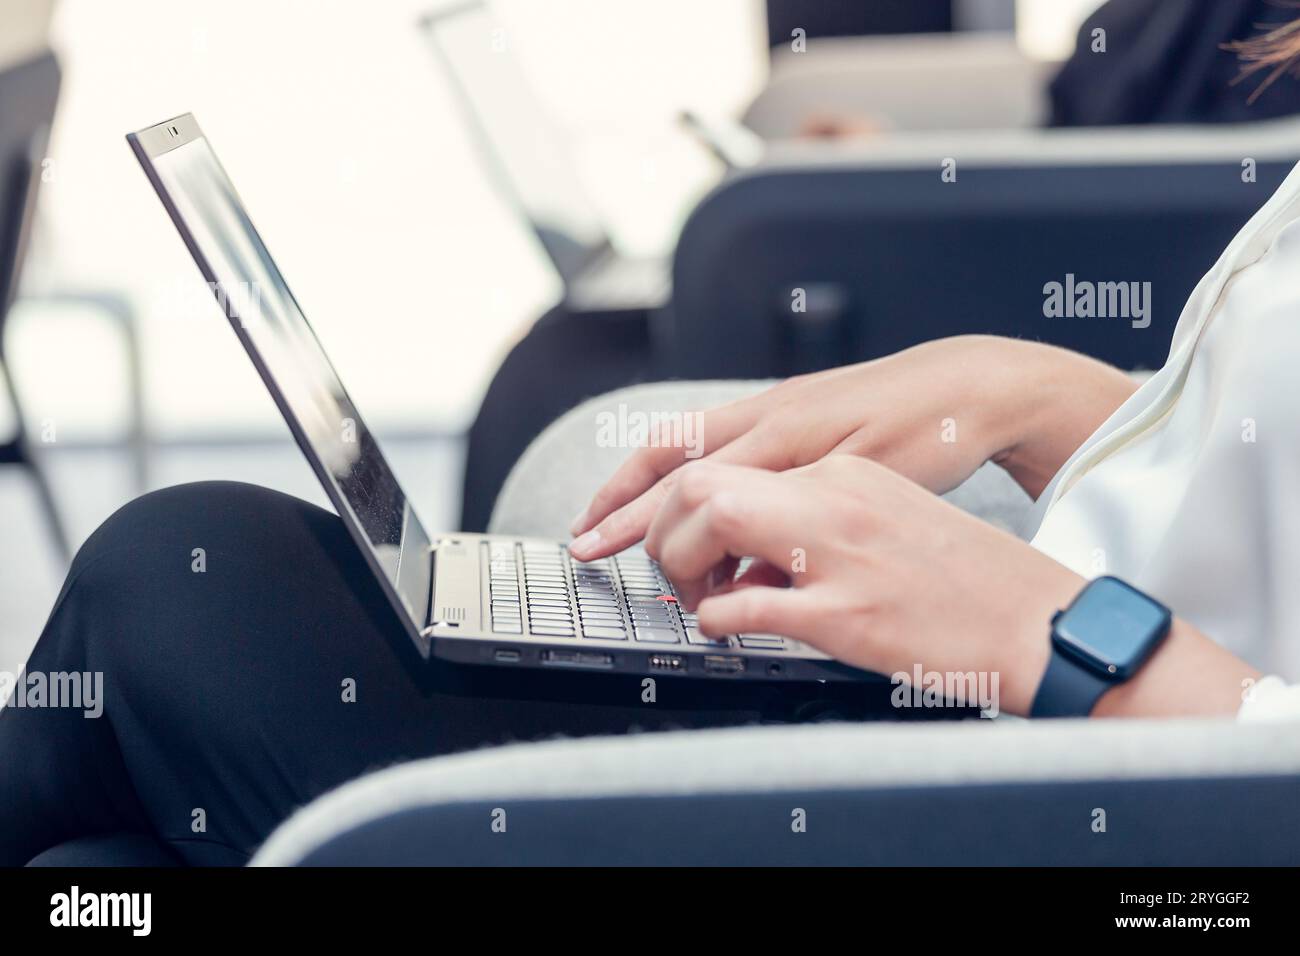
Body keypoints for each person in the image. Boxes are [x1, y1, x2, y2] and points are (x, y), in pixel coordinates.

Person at [6, 25, 1300, 870]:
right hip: (1063, 716)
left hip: (1142, 804)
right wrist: (1061, 403)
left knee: (180, 581)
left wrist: (1071, 645)